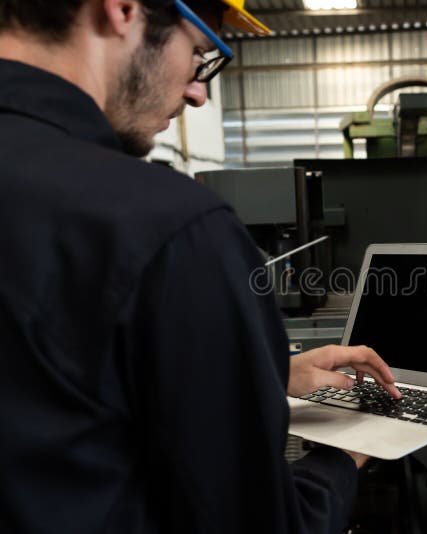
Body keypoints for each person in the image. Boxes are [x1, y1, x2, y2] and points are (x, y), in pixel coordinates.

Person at [0, 1, 401, 532]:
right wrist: (344, 458)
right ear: (121, 9)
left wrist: (265, 377)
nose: (197, 91)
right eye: (198, 53)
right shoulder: (169, 227)